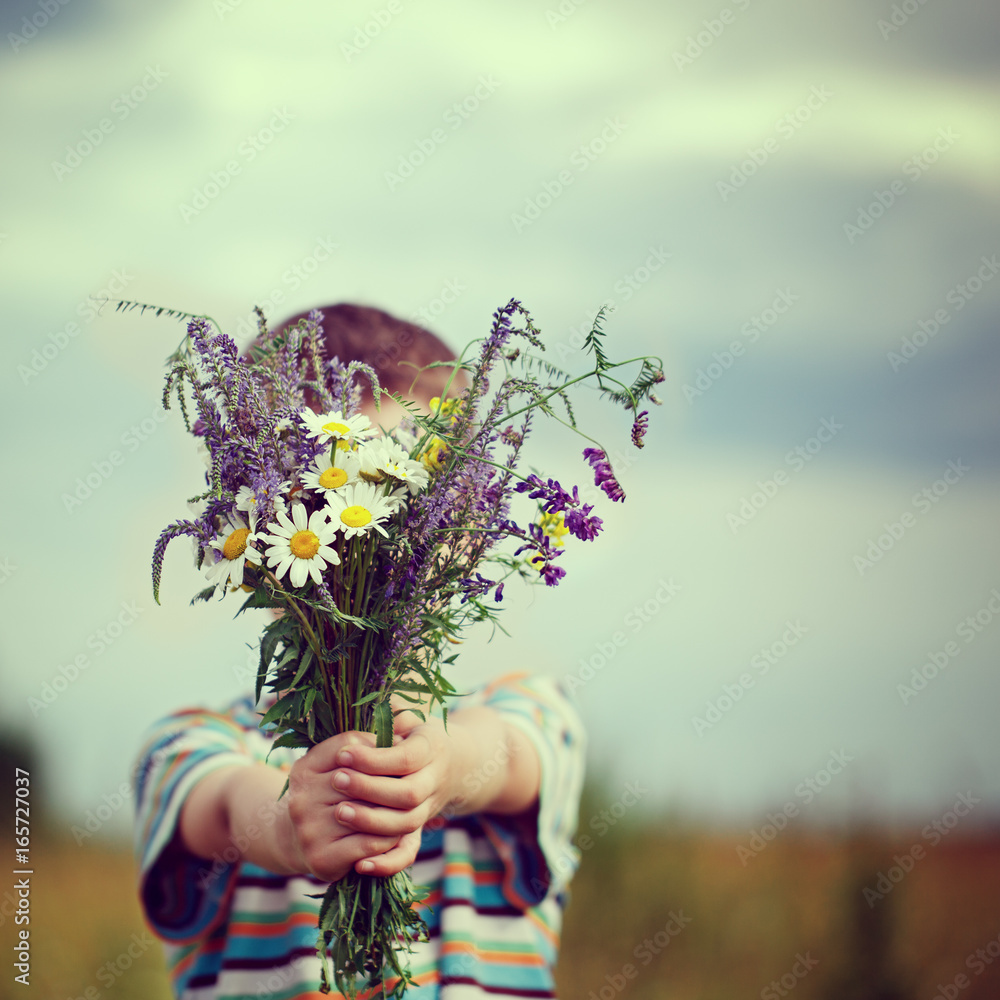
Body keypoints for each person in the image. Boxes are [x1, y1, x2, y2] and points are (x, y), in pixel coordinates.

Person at [132, 303, 587, 999]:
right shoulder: (197, 743)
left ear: (468, 526)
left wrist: (442, 767)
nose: (377, 541)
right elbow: (220, 804)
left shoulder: (530, 711)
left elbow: (518, 755)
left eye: (417, 497)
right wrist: (288, 827)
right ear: (259, 519)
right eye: (327, 494)